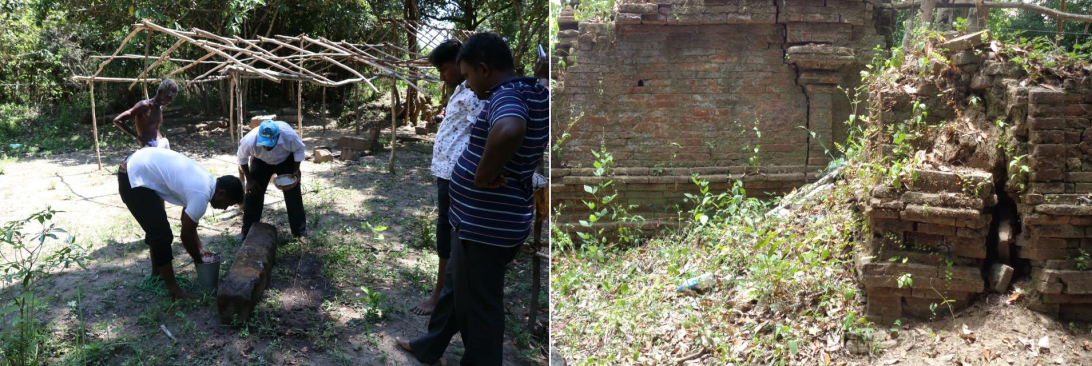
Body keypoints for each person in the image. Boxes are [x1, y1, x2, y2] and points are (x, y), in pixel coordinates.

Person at [397, 32, 549, 365]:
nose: (466, 83)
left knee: (480, 309)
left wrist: (481, 175)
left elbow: (510, 129)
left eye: (466, 76)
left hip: (486, 226)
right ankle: (429, 346)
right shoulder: (530, 89)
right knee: (456, 288)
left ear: (483, 69)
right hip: (478, 222)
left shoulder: (507, 96)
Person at [410, 39, 485, 317]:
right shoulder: (461, 90)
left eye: (444, 69)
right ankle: (443, 290)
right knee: (446, 230)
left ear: (461, 62)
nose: (442, 76)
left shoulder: (476, 94)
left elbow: (487, 132)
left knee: (450, 232)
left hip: (458, 176)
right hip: (447, 174)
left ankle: (442, 293)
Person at [118, 148, 244, 300]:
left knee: (156, 227)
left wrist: (201, 249)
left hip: (139, 169)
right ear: (221, 193)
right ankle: (174, 291)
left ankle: (157, 273)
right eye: (228, 204)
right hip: (133, 176)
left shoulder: (207, 180)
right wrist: (199, 260)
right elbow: (185, 236)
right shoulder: (201, 194)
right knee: (161, 234)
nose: (224, 208)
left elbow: (188, 222)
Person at [238, 120, 307, 239]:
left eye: (270, 143)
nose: (266, 147)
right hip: (261, 161)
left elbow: (299, 149)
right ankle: (247, 232)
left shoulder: (288, 136)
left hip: (286, 159)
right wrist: (249, 180)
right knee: (254, 193)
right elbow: (242, 158)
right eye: (264, 143)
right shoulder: (250, 140)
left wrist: (296, 169)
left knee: (293, 194)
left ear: (278, 136)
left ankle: (299, 232)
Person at [113, 79, 178, 149]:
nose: (170, 100)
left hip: (160, 145)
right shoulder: (144, 105)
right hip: (148, 147)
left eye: (173, 97)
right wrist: (137, 137)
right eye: (169, 96)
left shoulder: (160, 108)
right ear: (160, 92)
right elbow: (117, 120)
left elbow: (155, 129)